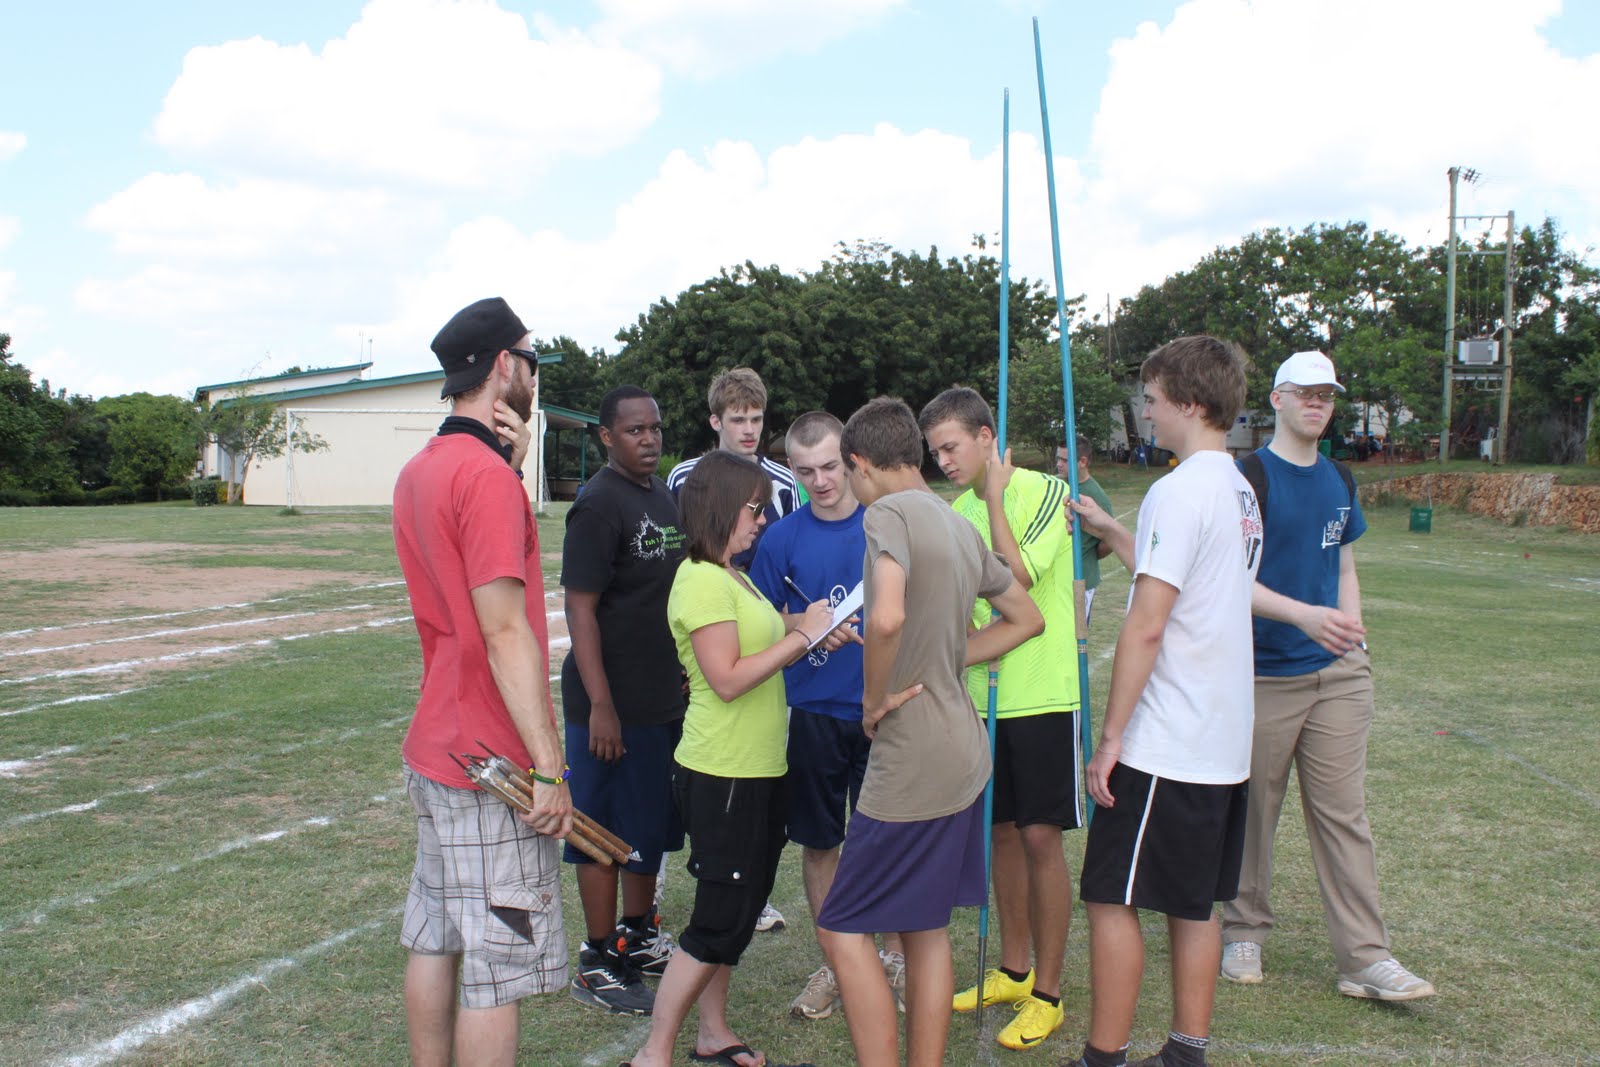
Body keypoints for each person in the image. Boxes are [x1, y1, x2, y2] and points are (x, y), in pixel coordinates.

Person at [817, 396, 1044, 1067]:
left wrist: (873, 696)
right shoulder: (956, 522)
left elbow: (884, 618)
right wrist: (949, 658)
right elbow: (1024, 616)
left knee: (840, 927)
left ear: (860, 464)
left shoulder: (886, 514)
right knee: (924, 925)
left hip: (913, 755)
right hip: (963, 751)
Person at [1061, 336, 1261, 1067]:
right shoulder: (1238, 488)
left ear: (1189, 402)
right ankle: (1186, 1052)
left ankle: (1103, 1056)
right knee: (1192, 900)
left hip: (1170, 739)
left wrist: (1111, 738)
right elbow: (1199, 588)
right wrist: (1116, 532)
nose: (1144, 411)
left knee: (1111, 895)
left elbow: (1147, 624)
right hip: (1220, 738)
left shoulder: (1178, 490)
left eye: (1150, 398)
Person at [1218, 351, 1436, 1001]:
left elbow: (1343, 565)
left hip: (1337, 675)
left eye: (1328, 395)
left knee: (1344, 816)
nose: (1318, 403)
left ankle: (1366, 957)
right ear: (1278, 400)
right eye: (1306, 393)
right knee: (1255, 810)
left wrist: (1352, 636)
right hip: (1262, 674)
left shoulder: (1340, 477)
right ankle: (1243, 930)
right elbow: (1229, 580)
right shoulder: (1246, 477)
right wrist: (1306, 617)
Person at [392, 297, 570, 1067]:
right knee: (498, 966)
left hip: (436, 743)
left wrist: (515, 463)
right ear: (504, 365)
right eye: (529, 359)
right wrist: (549, 767)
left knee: (436, 934)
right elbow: (505, 631)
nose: (533, 373)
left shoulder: (423, 469)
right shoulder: (486, 480)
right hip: (489, 762)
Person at [622, 450, 838, 1067]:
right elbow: (726, 677)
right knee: (719, 917)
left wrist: (809, 626)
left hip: (759, 768)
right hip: (723, 773)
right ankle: (654, 1051)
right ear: (720, 506)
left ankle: (711, 1031)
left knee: (739, 912)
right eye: (754, 508)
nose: (763, 519)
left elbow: (759, 636)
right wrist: (802, 636)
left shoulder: (732, 574)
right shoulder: (700, 578)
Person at [919, 387, 1081, 1051]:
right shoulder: (954, 511)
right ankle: (1014, 969)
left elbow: (1018, 571)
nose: (945, 461)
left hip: (1043, 695)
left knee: (1043, 839)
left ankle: (1049, 991)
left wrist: (992, 502)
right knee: (1003, 836)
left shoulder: (1043, 491)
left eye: (952, 447)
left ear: (988, 436)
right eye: (936, 452)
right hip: (985, 701)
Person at [747, 411, 907, 1021]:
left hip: (883, 708)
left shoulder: (886, 522)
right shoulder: (782, 538)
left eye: (831, 467)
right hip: (811, 709)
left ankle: (892, 958)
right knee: (821, 843)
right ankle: (839, 961)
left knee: (885, 839)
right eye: (805, 470)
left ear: (852, 460)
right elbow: (760, 620)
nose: (820, 481)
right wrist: (807, 625)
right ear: (791, 469)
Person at [560, 385, 687, 1016]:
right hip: (608, 704)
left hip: (660, 696)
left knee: (650, 827)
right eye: (635, 431)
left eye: (655, 429)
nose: (649, 439)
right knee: (602, 834)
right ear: (607, 437)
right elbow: (580, 608)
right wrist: (600, 704)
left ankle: (638, 937)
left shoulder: (664, 498)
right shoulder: (598, 504)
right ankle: (596, 957)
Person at [666, 365, 799, 934]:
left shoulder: (783, 483)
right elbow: (686, 562)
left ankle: (743, 887)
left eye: (757, 419)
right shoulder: (685, 481)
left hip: (758, 627)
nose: (749, 430)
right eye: (737, 419)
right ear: (715, 420)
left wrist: (792, 626)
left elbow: (785, 563)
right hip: (716, 639)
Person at [1056, 437, 1116, 627]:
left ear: (1083, 462)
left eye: (1065, 460)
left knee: (1075, 640)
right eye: (1058, 458)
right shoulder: (1056, 485)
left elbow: (1109, 540)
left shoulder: (1096, 496)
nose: (1059, 464)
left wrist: (1087, 555)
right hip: (1056, 579)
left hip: (1081, 581)